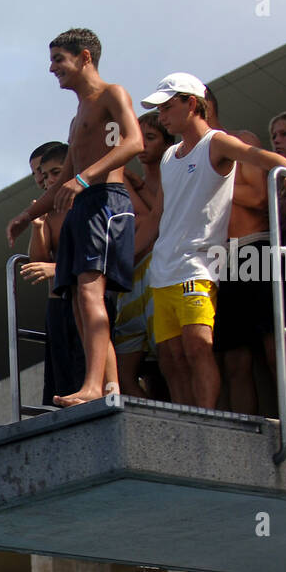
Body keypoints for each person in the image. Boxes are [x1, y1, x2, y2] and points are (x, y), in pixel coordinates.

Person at [139, 73, 286, 409]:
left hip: (200, 265)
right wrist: (115, 263)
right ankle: (186, 418)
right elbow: (156, 218)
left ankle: (207, 420)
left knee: (198, 345)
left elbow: (263, 159)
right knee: (171, 358)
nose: (162, 115)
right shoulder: (168, 157)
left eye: (167, 106)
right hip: (164, 269)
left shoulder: (217, 142)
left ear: (191, 104)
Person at [8, 29, 142, 406]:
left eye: (58, 60)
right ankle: (110, 384)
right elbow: (63, 178)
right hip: (83, 207)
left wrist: (85, 179)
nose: (52, 69)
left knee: (89, 291)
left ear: (84, 57)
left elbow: (133, 142)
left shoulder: (112, 94)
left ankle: (93, 387)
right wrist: (26, 215)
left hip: (106, 202)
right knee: (78, 300)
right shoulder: (77, 117)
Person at [207, 86, 272, 415]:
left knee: (274, 347)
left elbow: (260, 196)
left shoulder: (240, 138)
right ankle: (240, 432)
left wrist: (211, 182)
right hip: (221, 263)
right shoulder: (186, 158)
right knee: (233, 359)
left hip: (255, 250)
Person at [18, 142, 88, 405]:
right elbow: (37, 261)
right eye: (40, 174)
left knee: (84, 376)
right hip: (57, 304)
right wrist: (37, 226)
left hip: (85, 302)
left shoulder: (87, 202)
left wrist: (56, 269)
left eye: (49, 172)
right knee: (60, 386)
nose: (42, 180)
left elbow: (95, 260)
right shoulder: (48, 210)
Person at [113, 111, 171, 397]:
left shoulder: (170, 176)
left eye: (151, 137)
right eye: (140, 138)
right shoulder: (133, 180)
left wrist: (129, 184)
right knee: (133, 372)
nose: (143, 145)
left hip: (159, 270)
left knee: (170, 358)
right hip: (133, 279)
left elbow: (155, 219)